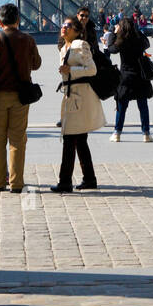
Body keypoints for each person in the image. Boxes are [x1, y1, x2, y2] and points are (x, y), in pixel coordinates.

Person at [0, 2, 42, 193]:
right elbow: (37, 64)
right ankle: (16, 183)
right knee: (18, 140)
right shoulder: (28, 40)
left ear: (0, 22)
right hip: (21, 97)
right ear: (18, 20)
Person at [51, 17, 105, 192]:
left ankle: (65, 181)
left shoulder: (80, 44)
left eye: (67, 26)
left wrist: (71, 70)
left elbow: (92, 69)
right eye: (63, 25)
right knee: (80, 140)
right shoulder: (64, 47)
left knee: (69, 139)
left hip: (79, 98)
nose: (63, 28)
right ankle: (89, 179)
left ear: (76, 30)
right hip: (71, 96)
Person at [108, 16, 153, 142]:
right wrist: (137, 30)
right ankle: (146, 133)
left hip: (125, 77)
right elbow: (147, 43)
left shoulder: (121, 41)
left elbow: (111, 49)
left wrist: (113, 33)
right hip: (140, 76)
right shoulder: (138, 39)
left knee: (121, 106)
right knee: (143, 106)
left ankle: (117, 132)